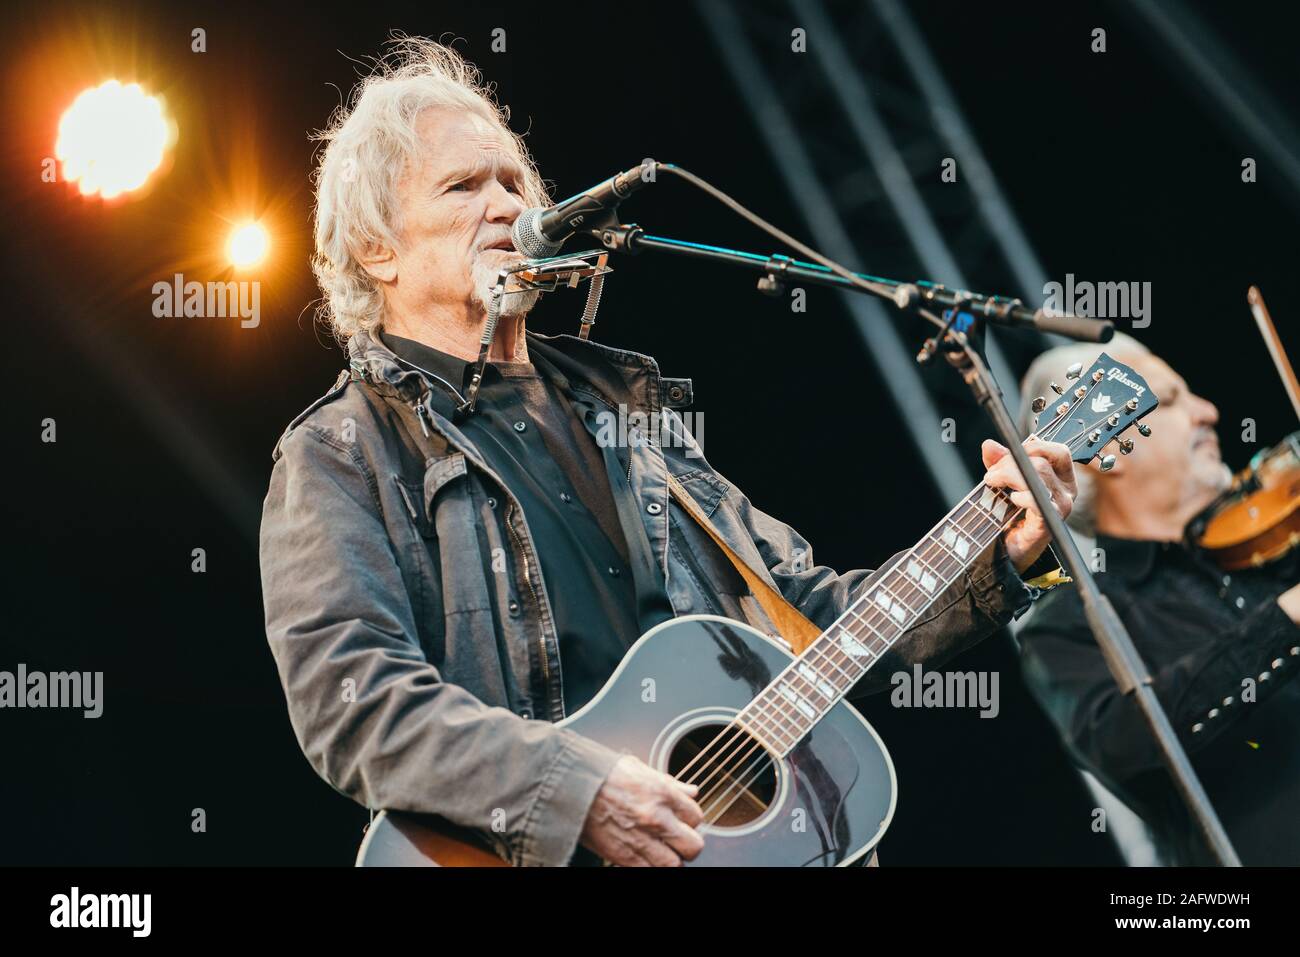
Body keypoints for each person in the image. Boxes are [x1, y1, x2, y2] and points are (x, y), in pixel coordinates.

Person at [258, 37, 1076, 867]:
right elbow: (352, 700)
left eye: (513, 181)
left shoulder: (621, 407)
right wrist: (575, 791)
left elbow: (801, 622)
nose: (506, 205)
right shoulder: (339, 449)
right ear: (376, 249)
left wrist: (994, 552)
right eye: (464, 186)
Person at [1016, 334, 1300, 864]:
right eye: (1171, 400)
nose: (1208, 412)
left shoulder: (1275, 548)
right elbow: (1130, 745)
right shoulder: (1072, 622)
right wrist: (1287, 618)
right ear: (1104, 447)